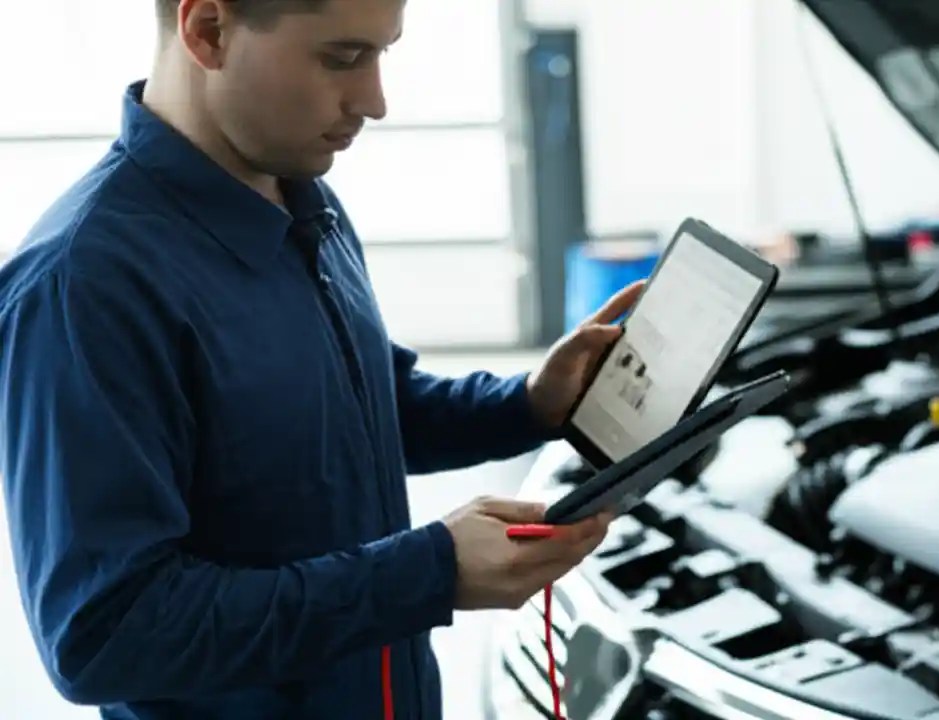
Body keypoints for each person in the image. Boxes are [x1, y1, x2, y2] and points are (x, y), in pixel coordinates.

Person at [0, 0, 640, 718]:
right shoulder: (83, 286)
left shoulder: (303, 200)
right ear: (208, 29)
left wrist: (526, 403)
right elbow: (104, 634)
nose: (375, 101)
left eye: (380, 55)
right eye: (342, 59)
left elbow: (360, 408)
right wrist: (429, 572)